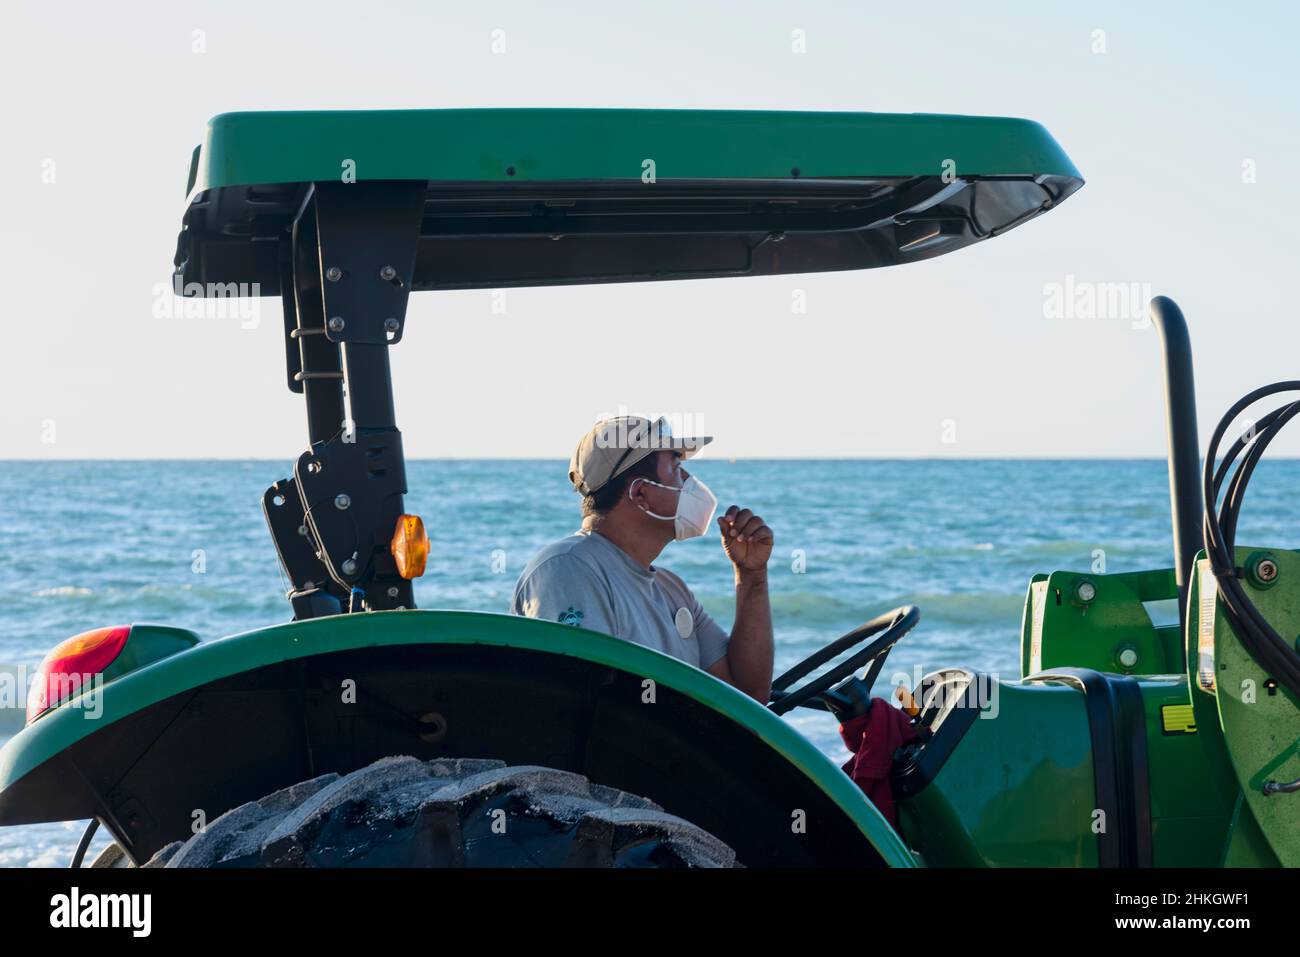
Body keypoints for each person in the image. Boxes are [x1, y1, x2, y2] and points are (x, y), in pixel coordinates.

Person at [510, 415, 774, 703]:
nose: (688, 481)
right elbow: (581, 706)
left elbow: (748, 697)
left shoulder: (673, 590)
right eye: (676, 468)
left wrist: (752, 576)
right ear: (641, 493)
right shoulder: (567, 568)